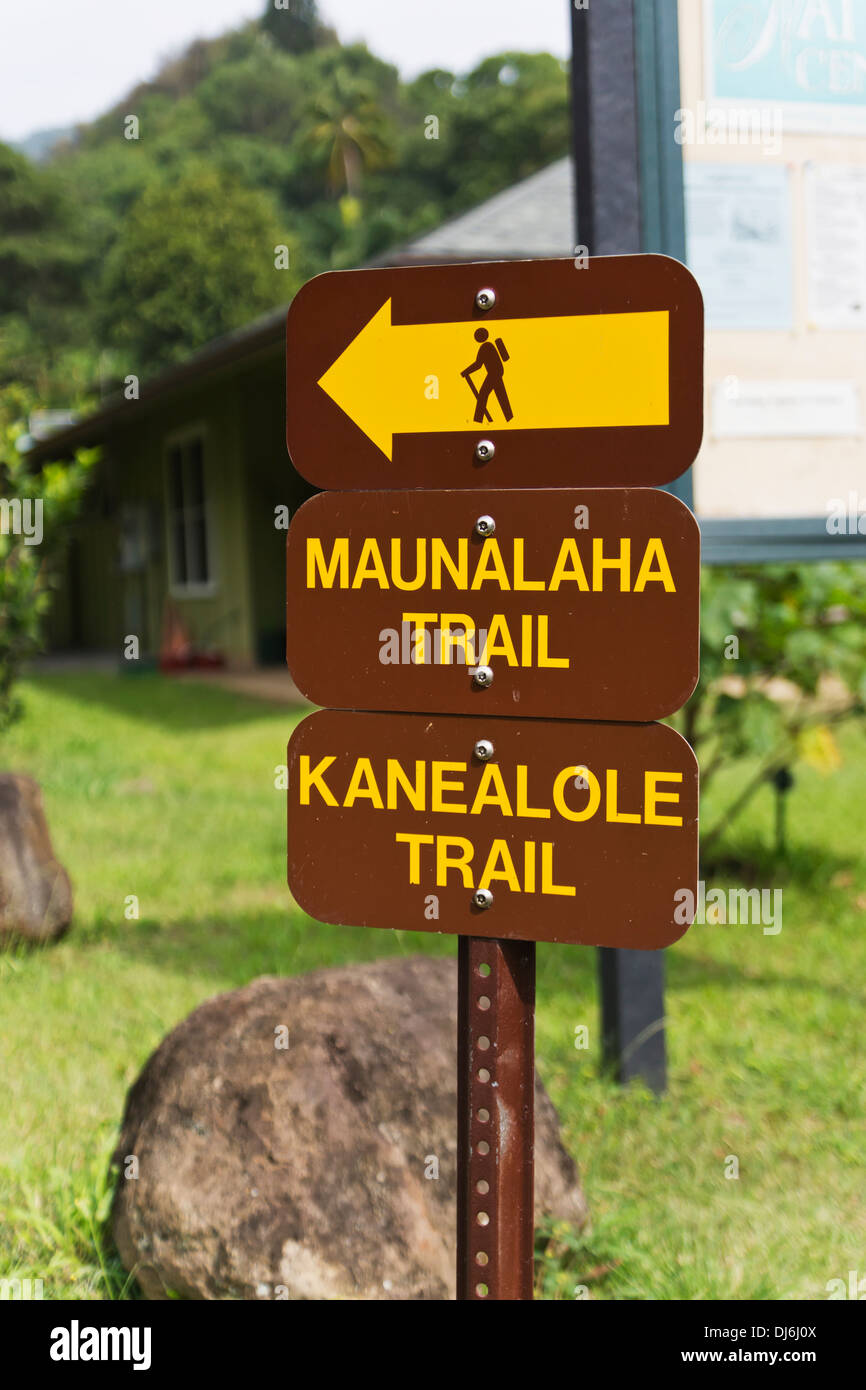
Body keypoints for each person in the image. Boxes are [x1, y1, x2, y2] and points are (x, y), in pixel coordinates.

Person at [461, 328, 513, 424]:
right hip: (497, 372)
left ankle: (478, 420)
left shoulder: (485, 347)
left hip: (494, 373)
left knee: (483, 395)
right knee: (501, 395)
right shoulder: (489, 345)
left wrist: (465, 372)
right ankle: (509, 417)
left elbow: (478, 364)